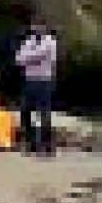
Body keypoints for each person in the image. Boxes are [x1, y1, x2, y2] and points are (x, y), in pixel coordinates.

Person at [13, 21, 60, 155]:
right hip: (30, 80)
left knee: (44, 112)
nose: (36, 29)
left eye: (39, 26)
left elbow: (41, 54)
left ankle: (47, 144)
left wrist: (29, 57)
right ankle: (31, 142)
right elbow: (19, 59)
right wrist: (31, 57)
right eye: (34, 26)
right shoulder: (28, 41)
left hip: (44, 80)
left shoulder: (50, 41)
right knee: (25, 110)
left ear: (44, 27)